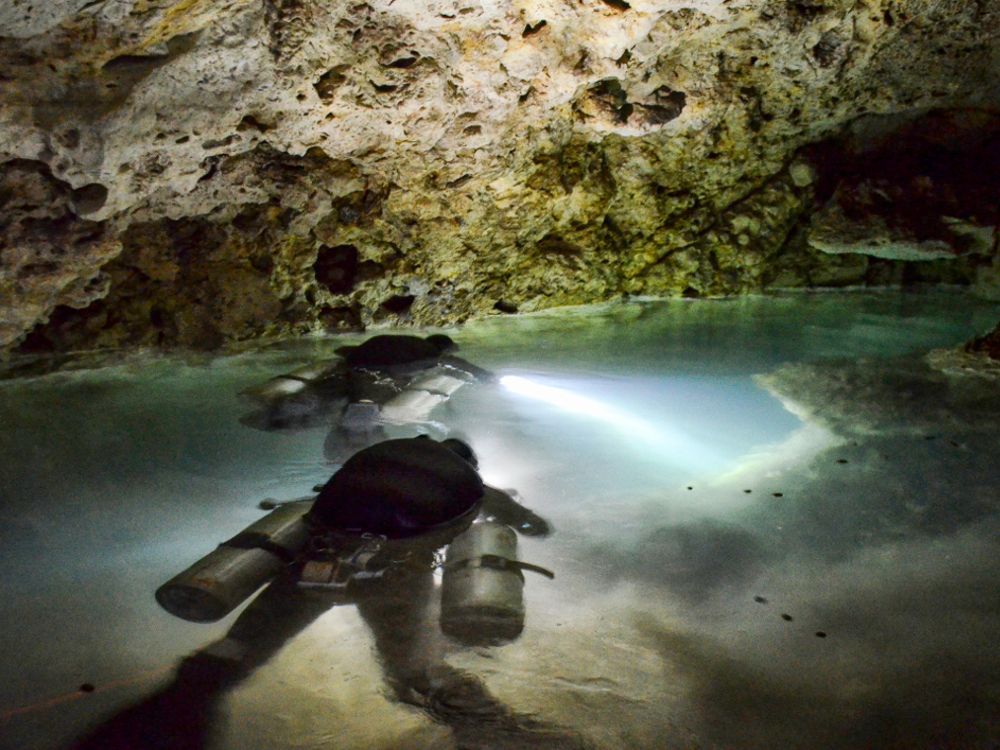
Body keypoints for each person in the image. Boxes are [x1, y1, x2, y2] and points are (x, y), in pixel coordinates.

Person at [72, 437, 576, 750]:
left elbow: (322, 502)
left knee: (234, 656)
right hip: (394, 579)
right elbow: (531, 524)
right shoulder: (471, 484)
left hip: (311, 563)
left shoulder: (378, 461)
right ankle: (503, 736)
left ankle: (184, 701)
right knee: (415, 676)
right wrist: (533, 523)